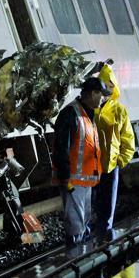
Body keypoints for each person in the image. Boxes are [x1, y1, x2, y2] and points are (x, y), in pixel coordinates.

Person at [52, 76, 111, 245]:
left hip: (85, 181)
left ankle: (82, 255)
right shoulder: (71, 113)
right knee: (76, 224)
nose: (103, 98)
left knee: (83, 222)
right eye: (102, 94)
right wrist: (65, 178)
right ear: (93, 93)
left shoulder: (87, 114)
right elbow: (61, 147)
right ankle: (74, 257)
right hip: (72, 181)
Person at [93, 64, 136, 241]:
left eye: (110, 87)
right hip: (91, 165)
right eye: (104, 87)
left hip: (110, 166)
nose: (107, 91)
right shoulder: (90, 108)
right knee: (92, 203)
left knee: (106, 205)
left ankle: (104, 236)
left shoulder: (119, 110)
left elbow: (127, 138)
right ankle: (93, 235)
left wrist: (121, 160)